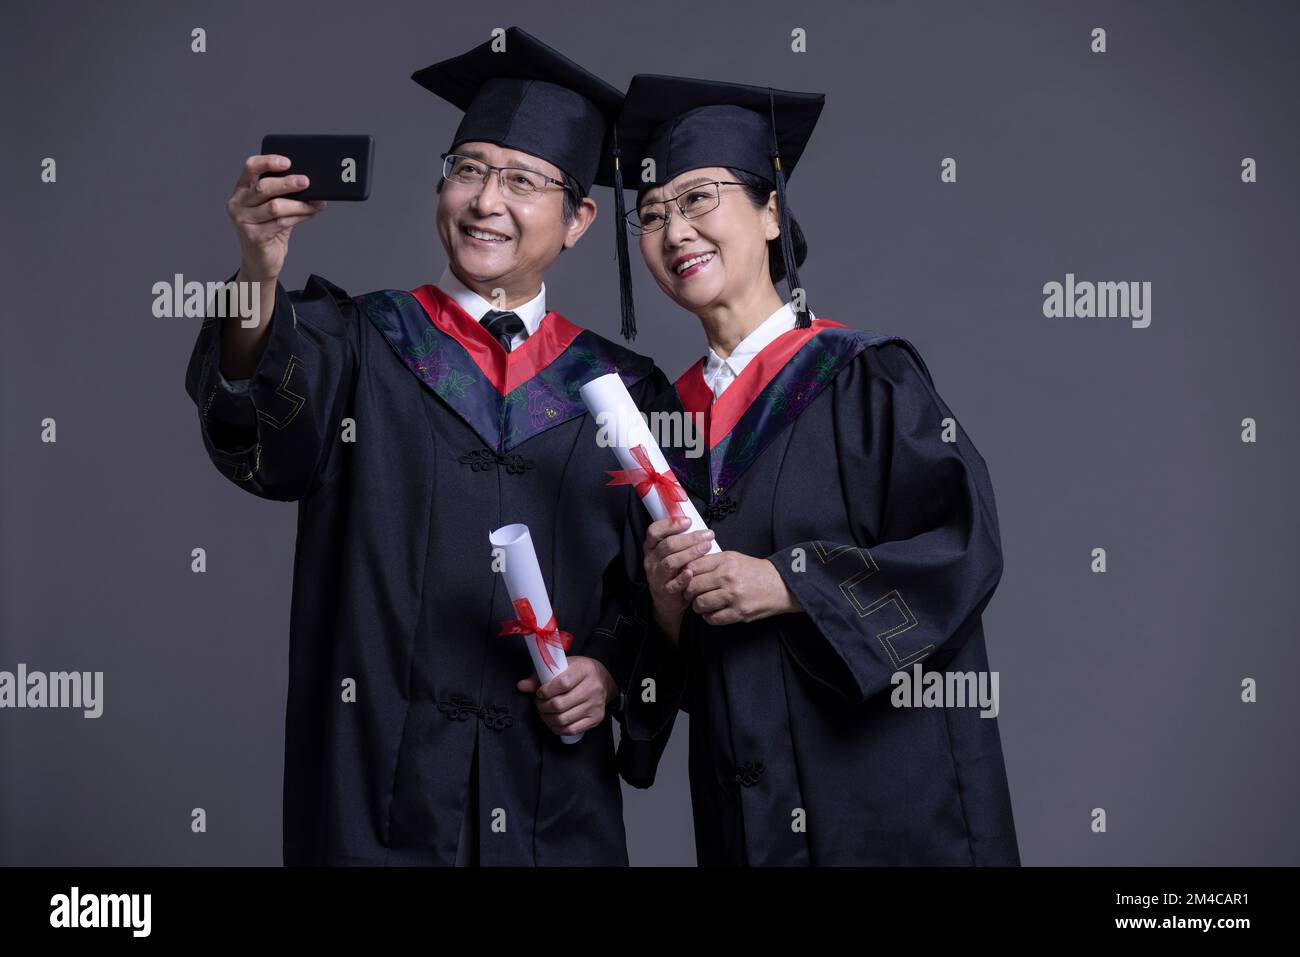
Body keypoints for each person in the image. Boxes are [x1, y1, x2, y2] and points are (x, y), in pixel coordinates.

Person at [183, 28, 669, 866]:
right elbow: (263, 439)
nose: (487, 201)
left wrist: (611, 672)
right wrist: (259, 269)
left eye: (522, 180)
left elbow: (654, 589)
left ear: (580, 217)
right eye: (469, 169)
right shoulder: (359, 341)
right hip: (378, 794)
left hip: (550, 803)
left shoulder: (625, 391)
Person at [608, 74, 1021, 865]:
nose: (673, 230)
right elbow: (663, 679)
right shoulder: (664, 429)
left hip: (897, 813)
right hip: (746, 821)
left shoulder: (866, 376)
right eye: (652, 214)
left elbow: (965, 547)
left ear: (770, 212)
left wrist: (794, 581)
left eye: (699, 198)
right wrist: (663, 611)